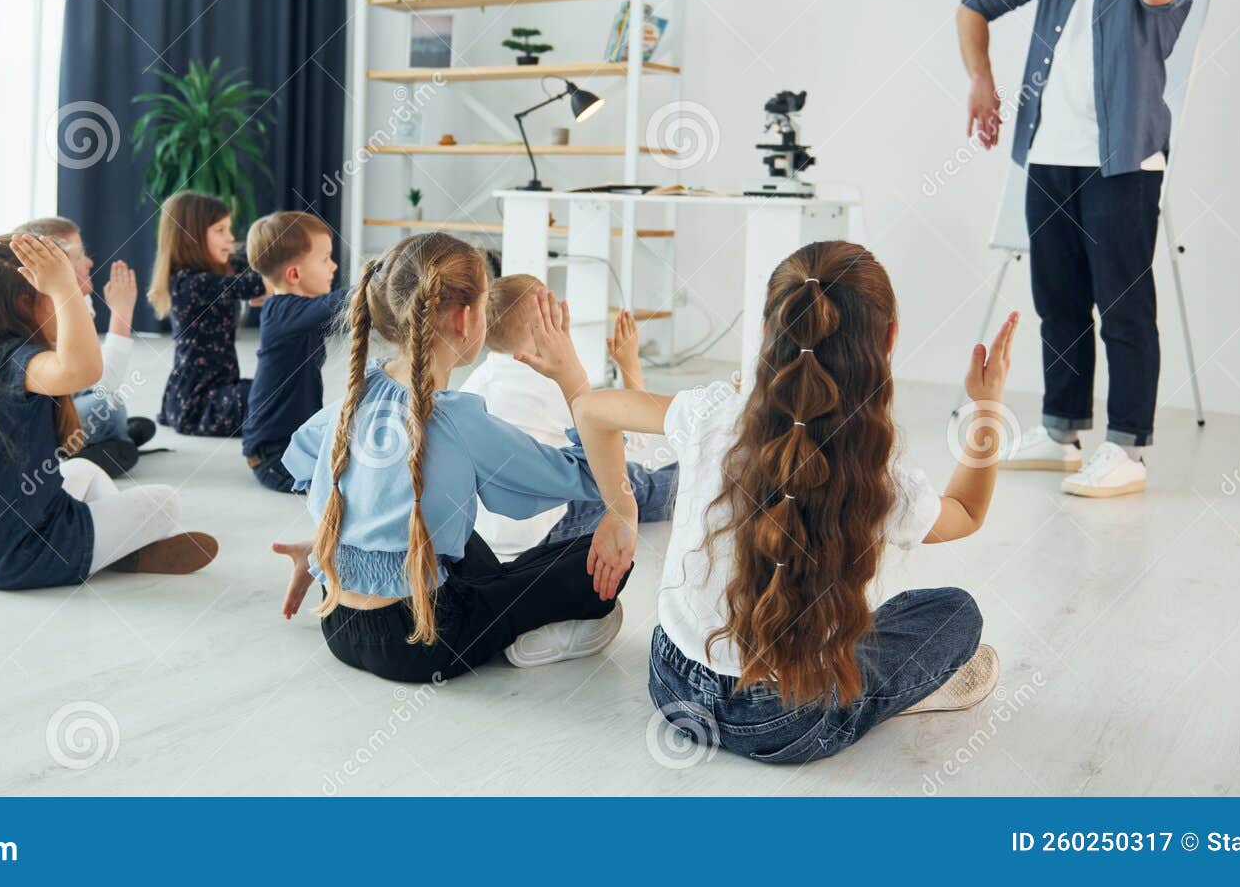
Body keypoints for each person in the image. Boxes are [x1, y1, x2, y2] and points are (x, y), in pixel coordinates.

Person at [573, 241, 1017, 763]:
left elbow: (590, 410)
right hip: (784, 721)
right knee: (954, 613)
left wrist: (623, 511)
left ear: (766, 332)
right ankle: (886, 700)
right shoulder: (876, 468)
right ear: (888, 340)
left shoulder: (709, 412)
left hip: (672, 686)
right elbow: (966, 512)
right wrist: (987, 405)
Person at [956, 0, 1202, 497]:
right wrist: (982, 77)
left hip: (1123, 161)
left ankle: (1126, 448)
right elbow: (973, 6)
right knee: (1057, 301)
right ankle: (1062, 429)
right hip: (1048, 156)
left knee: (1122, 306)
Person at [272, 233, 635, 682]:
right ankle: (516, 635)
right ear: (465, 319)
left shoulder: (356, 391)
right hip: (423, 643)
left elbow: (304, 458)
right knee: (592, 560)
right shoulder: (457, 419)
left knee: (451, 530)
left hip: (337, 624)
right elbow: (593, 476)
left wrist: (325, 548)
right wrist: (573, 376)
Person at [0, 233, 217, 590]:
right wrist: (64, 287)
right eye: (54, 299)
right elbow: (83, 370)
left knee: (83, 469)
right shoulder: (15, 362)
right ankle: (119, 548)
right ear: (23, 303)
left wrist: (60, 287)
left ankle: (114, 543)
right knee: (165, 503)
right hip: (19, 556)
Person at [461, 275, 675, 556]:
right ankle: (727, 481)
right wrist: (630, 365)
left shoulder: (473, 385)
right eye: (553, 308)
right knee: (635, 481)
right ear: (543, 327)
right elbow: (630, 440)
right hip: (544, 530)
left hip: (485, 535)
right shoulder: (547, 386)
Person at [14, 215, 157, 476]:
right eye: (80, 255)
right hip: (37, 418)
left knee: (109, 404)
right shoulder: (39, 308)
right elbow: (101, 379)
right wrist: (121, 314)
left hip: (64, 397)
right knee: (106, 408)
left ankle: (108, 438)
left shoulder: (77, 301)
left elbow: (89, 382)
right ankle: (107, 442)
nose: (90, 261)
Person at [240, 211, 348, 493]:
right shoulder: (281, 311)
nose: (334, 266)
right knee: (345, 486)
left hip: (297, 442)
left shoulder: (300, 312)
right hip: (274, 456)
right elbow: (342, 303)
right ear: (294, 274)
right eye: (325, 259)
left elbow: (343, 317)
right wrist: (379, 278)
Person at [148, 191, 265, 437]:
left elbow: (252, 267)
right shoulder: (192, 283)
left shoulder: (215, 271)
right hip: (199, 403)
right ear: (190, 236)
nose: (231, 238)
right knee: (275, 397)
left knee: (271, 391)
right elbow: (259, 282)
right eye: (220, 230)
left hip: (215, 387)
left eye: (229, 229)